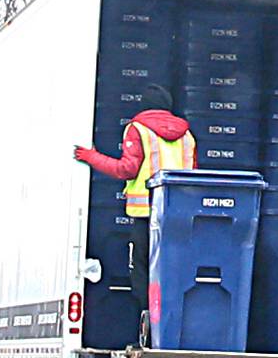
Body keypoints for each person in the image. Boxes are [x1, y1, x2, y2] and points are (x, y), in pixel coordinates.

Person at [73, 84, 196, 325]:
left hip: (145, 214)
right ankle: (173, 322)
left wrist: (91, 157)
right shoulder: (187, 136)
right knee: (171, 267)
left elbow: (126, 169)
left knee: (141, 268)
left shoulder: (137, 129)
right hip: (178, 215)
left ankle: (147, 319)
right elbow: (194, 174)